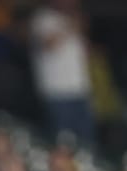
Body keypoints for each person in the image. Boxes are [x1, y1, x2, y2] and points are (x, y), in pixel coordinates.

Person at [30, 0, 93, 145]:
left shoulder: (70, 20)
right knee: (63, 142)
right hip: (58, 92)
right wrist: (70, 26)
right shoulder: (43, 18)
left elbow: (85, 53)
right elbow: (49, 45)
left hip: (80, 90)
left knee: (87, 141)